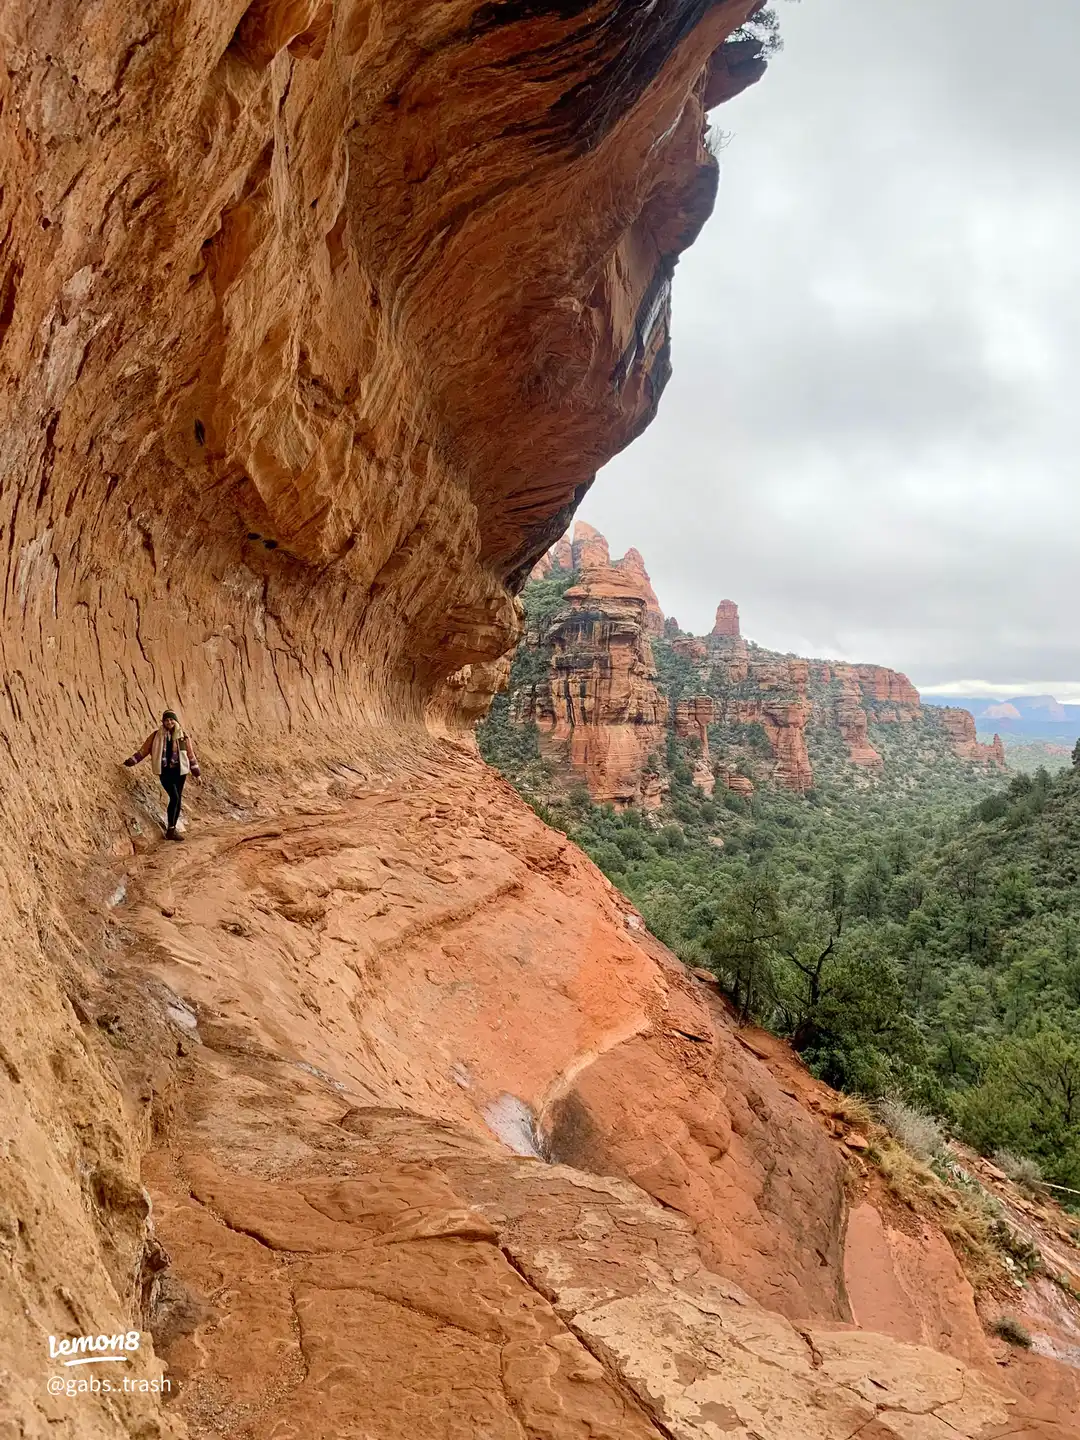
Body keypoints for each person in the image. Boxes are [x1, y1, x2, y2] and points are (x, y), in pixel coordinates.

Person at [124, 710, 201, 840]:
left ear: (175, 721)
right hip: (165, 772)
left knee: (178, 799)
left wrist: (197, 773)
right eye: (166, 720)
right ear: (163, 722)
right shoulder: (156, 736)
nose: (169, 722)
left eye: (171, 719)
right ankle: (171, 830)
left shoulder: (183, 736)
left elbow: (190, 755)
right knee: (174, 797)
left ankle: (172, 829)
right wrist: (132, 761)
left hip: (180, 772)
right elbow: (144, 750)